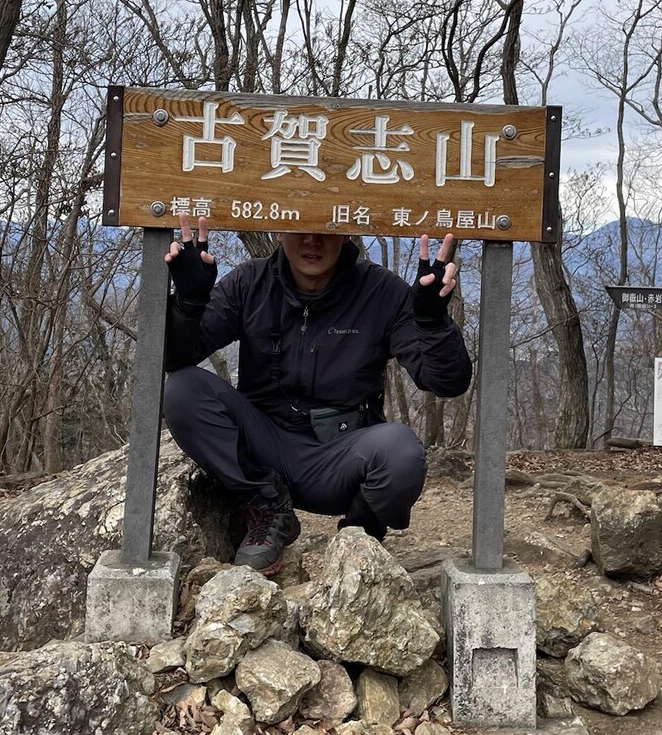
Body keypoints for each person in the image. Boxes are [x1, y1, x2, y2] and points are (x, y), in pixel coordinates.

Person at [162, 214, 472, 573]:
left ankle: (359, 536)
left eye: (327, 229)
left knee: (400, 451)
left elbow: (446, 382)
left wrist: (432, 323)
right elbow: (176, 359)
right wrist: (188, 303)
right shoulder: (250, 282)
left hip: (341, 459)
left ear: (346, 234)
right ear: (278, 229)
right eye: (300, 227)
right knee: (183, 388)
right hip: (264, 448)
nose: (312, 240)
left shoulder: (381, 292)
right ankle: (267, 509)